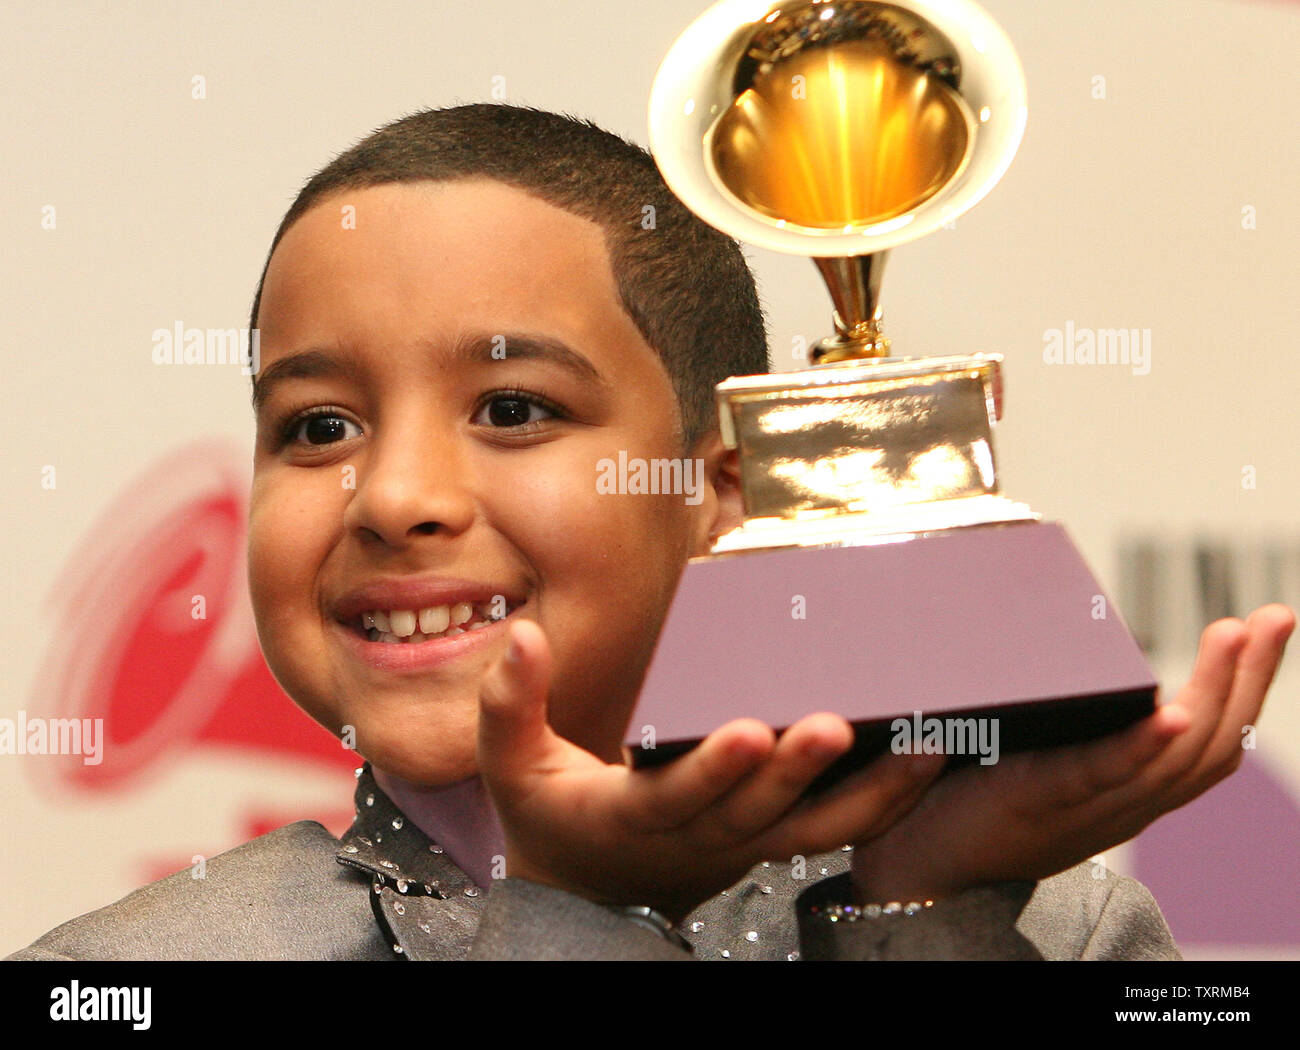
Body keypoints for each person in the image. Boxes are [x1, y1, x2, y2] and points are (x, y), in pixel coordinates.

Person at [7, 104, 1293, 961]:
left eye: (512, 408)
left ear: (723, 490)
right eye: (316, 427)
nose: (394, 495)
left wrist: (921, 907)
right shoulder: (127, 971)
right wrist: (575, 913)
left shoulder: (1048, 922)